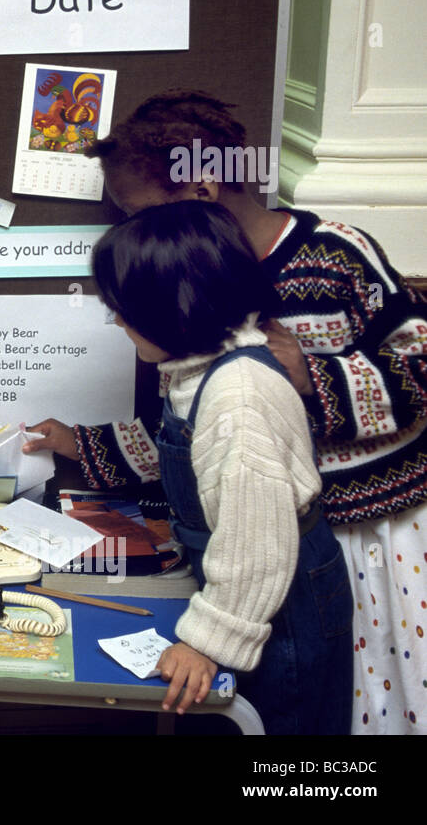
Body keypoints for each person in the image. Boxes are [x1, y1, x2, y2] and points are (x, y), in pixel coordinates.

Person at [24, 89, 427, 732]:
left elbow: (419, 370)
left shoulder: (329, 259)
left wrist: (313, 379)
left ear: (201, 196)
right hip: (266, 540)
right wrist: (84, 444)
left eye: (138, 215)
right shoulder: (193, 301)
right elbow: (196, 436)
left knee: (364, 711)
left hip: (365, 532)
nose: (131, 232)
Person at [90, 200, 352, 733]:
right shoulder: (198, 371)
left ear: (172, 310)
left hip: (282, 599)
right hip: (253, 580)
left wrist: (207, 642)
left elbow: (256, 543)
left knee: (284, 727)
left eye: (123, 307)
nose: (115, 319)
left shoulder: (239, 397)